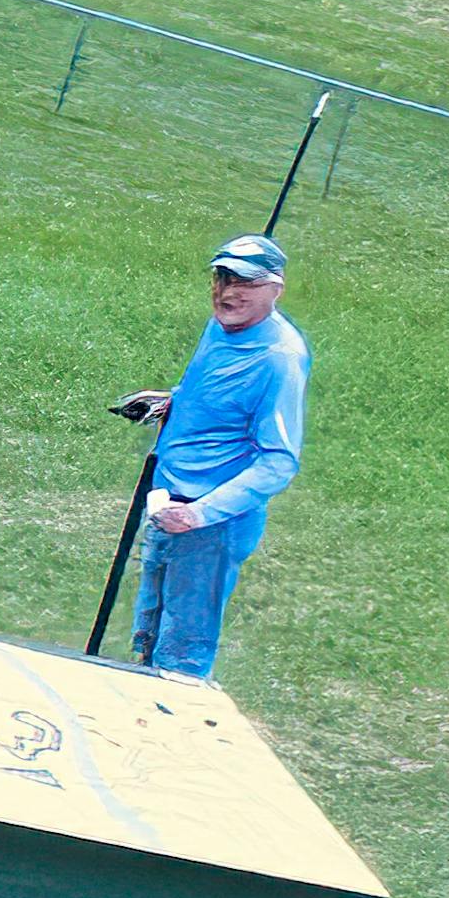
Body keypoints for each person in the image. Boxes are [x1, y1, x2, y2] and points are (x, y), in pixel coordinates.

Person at [110, 238, 309, 685]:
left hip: (208, 526)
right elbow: (213, 399)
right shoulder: (220, 327)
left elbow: (278, 461)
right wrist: (169, 404)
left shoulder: (279, 360)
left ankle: (173, 739)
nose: (228, 292)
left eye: (245, 283)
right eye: (222, 278)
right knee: (149, 628)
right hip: (168, 503)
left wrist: (200, 514)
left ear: (275, 288)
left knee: (183, 649)